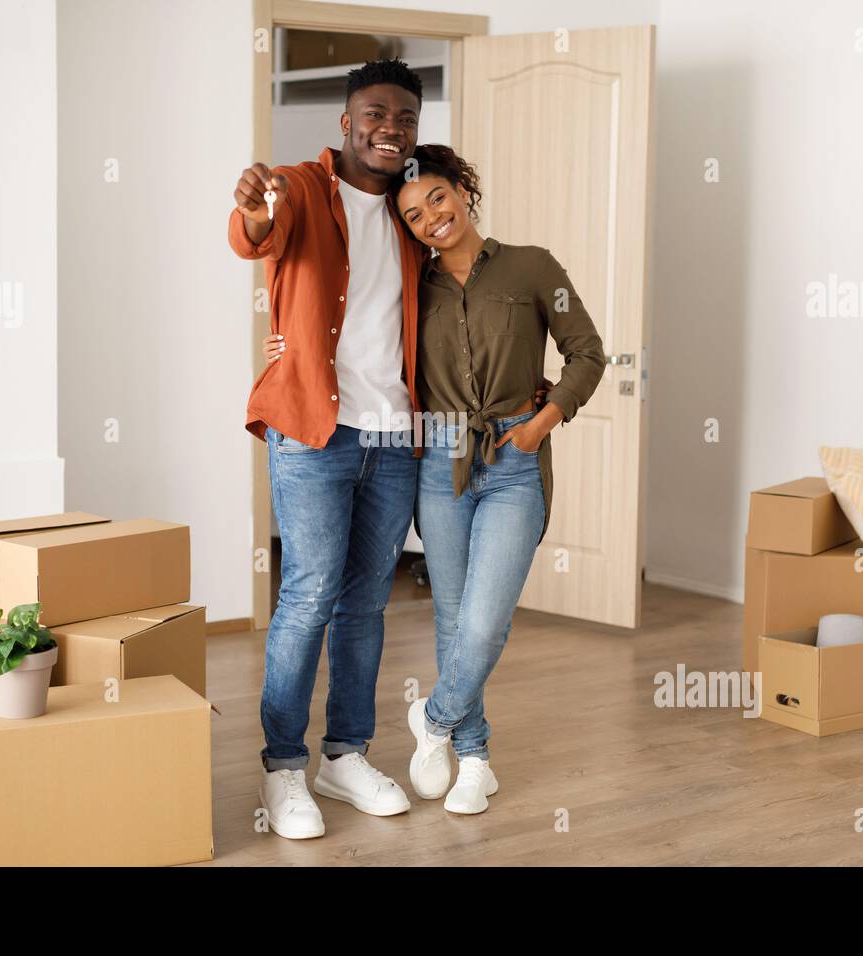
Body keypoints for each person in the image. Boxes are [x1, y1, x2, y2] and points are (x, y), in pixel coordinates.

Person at [263, 144, 606, 814]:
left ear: (465, 191)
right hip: (436, 457)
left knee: (484, 622)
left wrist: (544, 419)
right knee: (451, 619)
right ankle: (474, 759)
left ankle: (436, 719)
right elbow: (360, 336)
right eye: (414, 214)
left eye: (439, 199)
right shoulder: (410, 283)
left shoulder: (535, 267)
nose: (431, 219)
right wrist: (287, 347)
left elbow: (587, 351)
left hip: (513, 457)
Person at [228, 59, 427, 840]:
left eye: (406, 118)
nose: (391, 127)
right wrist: (249, 212)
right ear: (346, 122)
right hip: (314, 429)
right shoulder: (300, 187)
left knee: (366, 603)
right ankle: (283, 769)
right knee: (309, 594)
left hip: (394, 434)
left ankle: (344, 756)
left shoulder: (412, 210)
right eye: (376, 113)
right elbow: (256, 234)